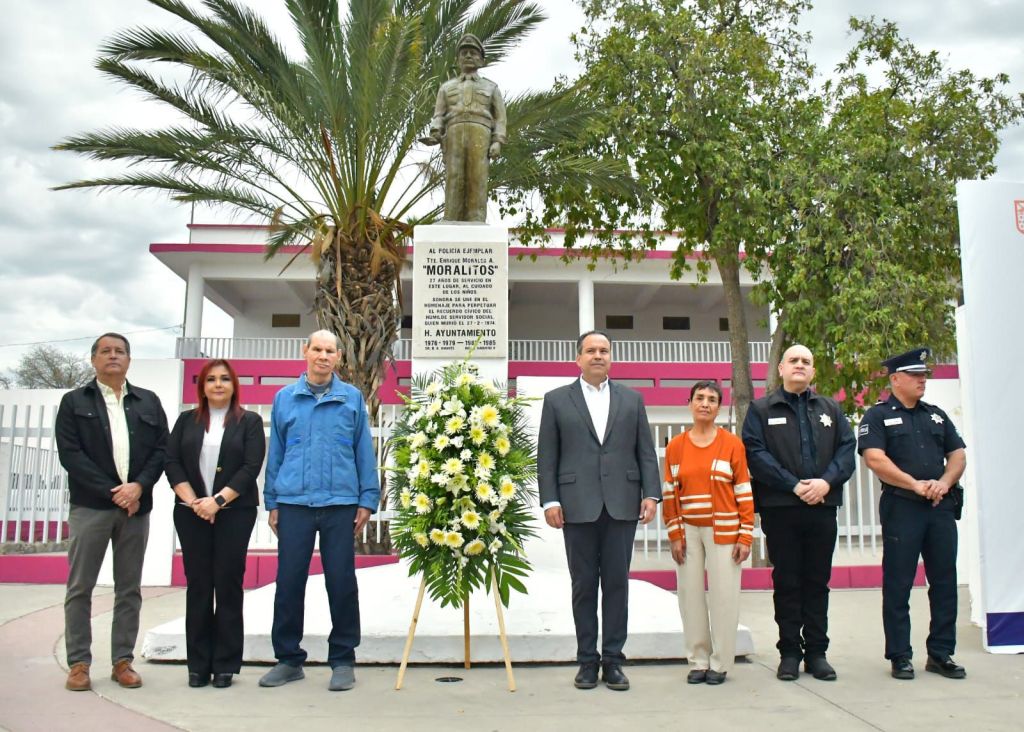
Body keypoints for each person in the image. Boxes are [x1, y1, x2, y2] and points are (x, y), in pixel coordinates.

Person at [537, 330, 661, 691]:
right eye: (590, 350)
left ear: (611, 357)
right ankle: (587, 661)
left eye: (604, 350)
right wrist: (551, 500)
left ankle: (614, 661)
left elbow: (645, 451)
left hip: (622, 504)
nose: (597, 356)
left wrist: (651, 494)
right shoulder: (557, 400)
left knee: (618, 585)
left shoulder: (632, 399)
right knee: (584, 585)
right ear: (578, 358)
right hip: (576, 506)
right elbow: (548, 455)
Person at [258, 330, 380, 692]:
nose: (323, 356)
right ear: (305, 352)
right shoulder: (284, 399)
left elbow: (363, 453)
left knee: (341, 582)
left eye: (330, 351)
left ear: (338, 357)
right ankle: (288, 659)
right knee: (289, 582)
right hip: (294, 503)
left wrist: (366, 500)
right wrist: (273, 501)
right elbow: (276, 454)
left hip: (340, 504)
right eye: (317, 349)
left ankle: (343, 659)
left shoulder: (352, 399)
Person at [55, 332, 169, 691]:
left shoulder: (148, 402)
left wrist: (138, 487)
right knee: (80, 587)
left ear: (129, 360)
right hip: (91, 508)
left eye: (120, 351)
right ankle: (79, 664)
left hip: (136, 508)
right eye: (105, 351)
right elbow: (71, 455)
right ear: (93, 360)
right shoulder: (74, 402)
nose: (113, 356)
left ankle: (122, 661)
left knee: (129, 588)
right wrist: (113, 491)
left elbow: (162, 450)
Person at [741, 345, 856, 682]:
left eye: (807, 361)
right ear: (781, 368)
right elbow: (756, 454)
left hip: (822, 507)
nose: (800, 365)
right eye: (793, 360)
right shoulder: (761, 410)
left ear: (813, 371)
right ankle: (789, 652)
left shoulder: (831, 409)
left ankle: (817, 652)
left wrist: (825, 483)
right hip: (781, 510)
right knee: (787, 582)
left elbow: (847, 450)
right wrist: (793, 485)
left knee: (817, 582)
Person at [859, 348, 967, 680]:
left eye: (924, 375)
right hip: (902, 507)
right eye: (915, 375)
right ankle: (900, 656)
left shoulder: (935, 415)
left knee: (945, 581)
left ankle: (941, 653)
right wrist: (914, 485)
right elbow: (875, 459)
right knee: (898, 583)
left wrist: (944, 482)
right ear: (895, 379)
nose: (923, 380)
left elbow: (958, 454)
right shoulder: (876, 416)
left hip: (939, 508)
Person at [165, 359, 266, 689]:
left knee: (227, 583)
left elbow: (251, 466)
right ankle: (197, 665)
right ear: (203, 387)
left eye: (225, 379)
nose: (218, 384)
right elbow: (172, 462)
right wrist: (195, 501)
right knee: (198, 585)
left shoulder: (249, 421)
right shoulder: (186, 421)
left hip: (235, 513)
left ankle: (225, 664)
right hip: (191, 512)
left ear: (234, 385)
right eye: (211, 379)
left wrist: (218, 501)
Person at [662, 380, 753, 685]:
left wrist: (745, 535)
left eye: (712, 399)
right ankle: (698, 660)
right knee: (689, 596)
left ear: (719, 407)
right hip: (688, 531)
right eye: (699, 398)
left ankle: (720, 663)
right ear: (689, 403)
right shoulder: (676, 446)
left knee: (724, 597)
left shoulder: (732, 444)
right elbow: (670, 493)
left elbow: (743, 490)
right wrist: (675, 533)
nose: (705, 403)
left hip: (724, 529)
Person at [422, 33, 507, 222]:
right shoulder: (446, 88)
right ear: (458, 59)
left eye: (473, 53)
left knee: (477, 177)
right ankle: (451, 218)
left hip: (481, 134)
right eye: (464, 53)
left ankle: (476, 220)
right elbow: (439, 115)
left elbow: (500, 118)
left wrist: (498, 141)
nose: (468, 56)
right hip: (454, 133)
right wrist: (435, 133)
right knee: (454, 176)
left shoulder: (491, 88)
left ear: (481, 60)